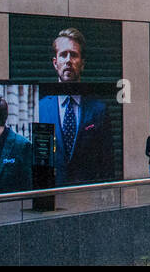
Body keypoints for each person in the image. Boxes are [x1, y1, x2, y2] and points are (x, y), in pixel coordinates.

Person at [38, 27, 113, 185]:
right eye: (63, 54)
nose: (68, 60)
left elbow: (106, 162)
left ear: (82, 64)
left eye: (73, 55)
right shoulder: (41, 108)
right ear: (55, 62)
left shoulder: (99, 110)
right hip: (52, 196)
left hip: (87, 196)